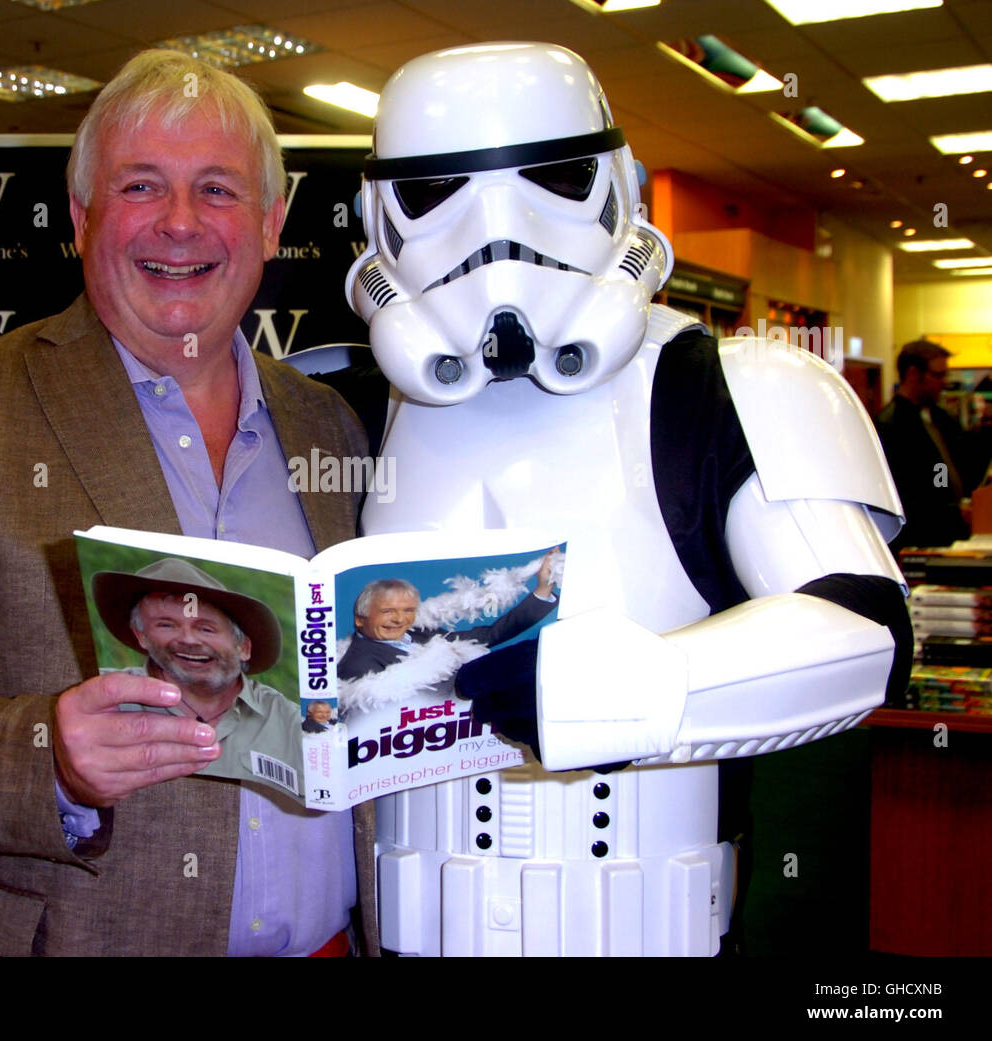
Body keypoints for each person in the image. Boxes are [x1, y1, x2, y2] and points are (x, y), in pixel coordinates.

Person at [315, 41, 910, 956]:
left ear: (622, 183)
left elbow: (865, 630)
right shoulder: (345, 409)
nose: (498, 229)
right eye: (438, 193)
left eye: (552, 179)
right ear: (376, 215)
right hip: (401, 925)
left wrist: (632, 690)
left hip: (649, 923)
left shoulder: (734, 388)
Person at [0, 50, 372, 956]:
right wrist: (46, 757)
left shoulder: (330, 426)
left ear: (270, 225)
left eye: (217, 190)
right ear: (80, 217)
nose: (180, 224)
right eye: (142, 185)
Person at [93, 557, 303, 795]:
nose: (188, 639)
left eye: (205, 628)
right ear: (141, 636)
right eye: (166, 625)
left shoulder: (292, 724)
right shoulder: (101, 699)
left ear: (243, 648)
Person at [336, 549, 558, 681]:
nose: (399, 619)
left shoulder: (420, 633)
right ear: (360, 619)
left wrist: (543, 588)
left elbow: (490, 635)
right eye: (387, 612)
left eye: (407, 611)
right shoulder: (358, 664)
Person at [874, 339, 972, 551]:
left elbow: (942, 471)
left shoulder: (939, 418)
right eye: (937, 375)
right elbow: (913, 490)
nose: (944, 382)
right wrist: (950, 507)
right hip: (921, 540)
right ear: (913, 374)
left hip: (948, 534)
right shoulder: (892, 426)